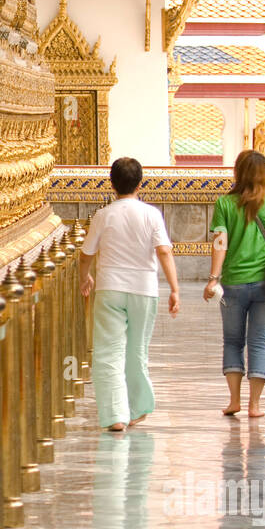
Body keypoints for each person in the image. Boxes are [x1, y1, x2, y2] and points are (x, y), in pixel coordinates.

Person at [79, 157, 180, 432]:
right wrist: (174, 288)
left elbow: (86, 254)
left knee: (108, 352)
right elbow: (163, 251)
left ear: (112, 184)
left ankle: (115, 415)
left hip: (110, 288)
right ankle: (137, 408)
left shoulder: (103, 215)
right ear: (140, 183)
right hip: (143, 290)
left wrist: (84, 276)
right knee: (136, 352)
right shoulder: (152, 214)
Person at [204, 149, 265, 418]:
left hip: (232, 284)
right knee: (259, 342)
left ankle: (234, 401)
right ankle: (255, 405)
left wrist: (213, 278)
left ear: (238, 172)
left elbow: (220, 243)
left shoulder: (225, 204)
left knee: (232, 341)